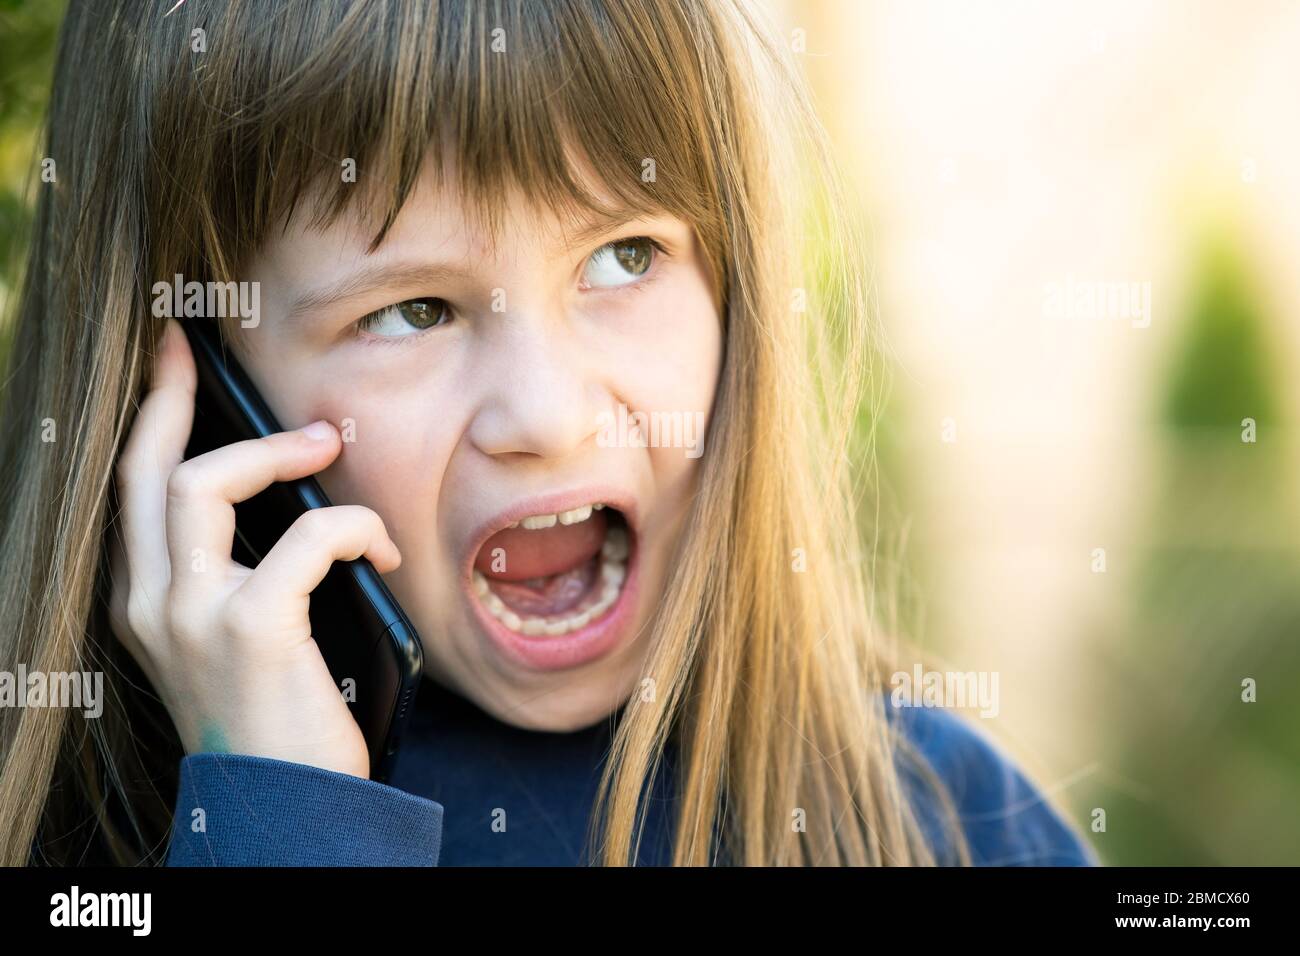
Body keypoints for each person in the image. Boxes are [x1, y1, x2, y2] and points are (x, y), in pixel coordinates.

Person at [0, 0, 1096, 867]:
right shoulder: (92, 839)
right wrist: (278, 820)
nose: (549, 414)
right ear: (192, 391)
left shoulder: (949, 823)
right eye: (409, 311)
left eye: (623, 255)